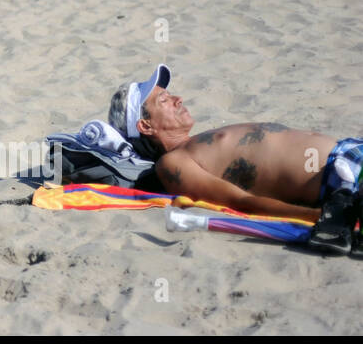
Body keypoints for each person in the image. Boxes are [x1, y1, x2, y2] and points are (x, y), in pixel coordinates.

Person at [107, 64, 362, 255]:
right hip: (338, 180)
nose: (178, 99)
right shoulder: (173, 164)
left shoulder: (195, 143)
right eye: (164, 100)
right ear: (146, 126)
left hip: (349, 150)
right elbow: (240, 202)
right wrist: (319, 216)